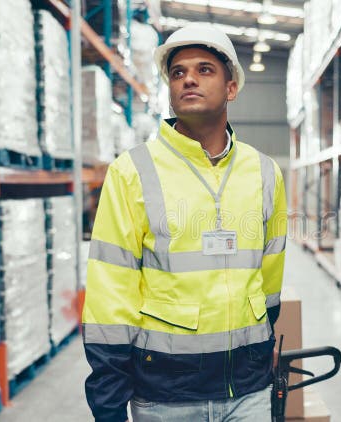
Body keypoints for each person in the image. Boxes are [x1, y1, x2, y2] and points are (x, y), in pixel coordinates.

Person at [82, 23, 287, 422]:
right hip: (166, 395)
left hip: (248, 391)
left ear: (231, 88)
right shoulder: (132, 171)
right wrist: (108, 404)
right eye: (178, 72)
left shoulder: (264, 172)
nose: (189, 78)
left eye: (204, 69)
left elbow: (271, 273)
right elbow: (111, 290)